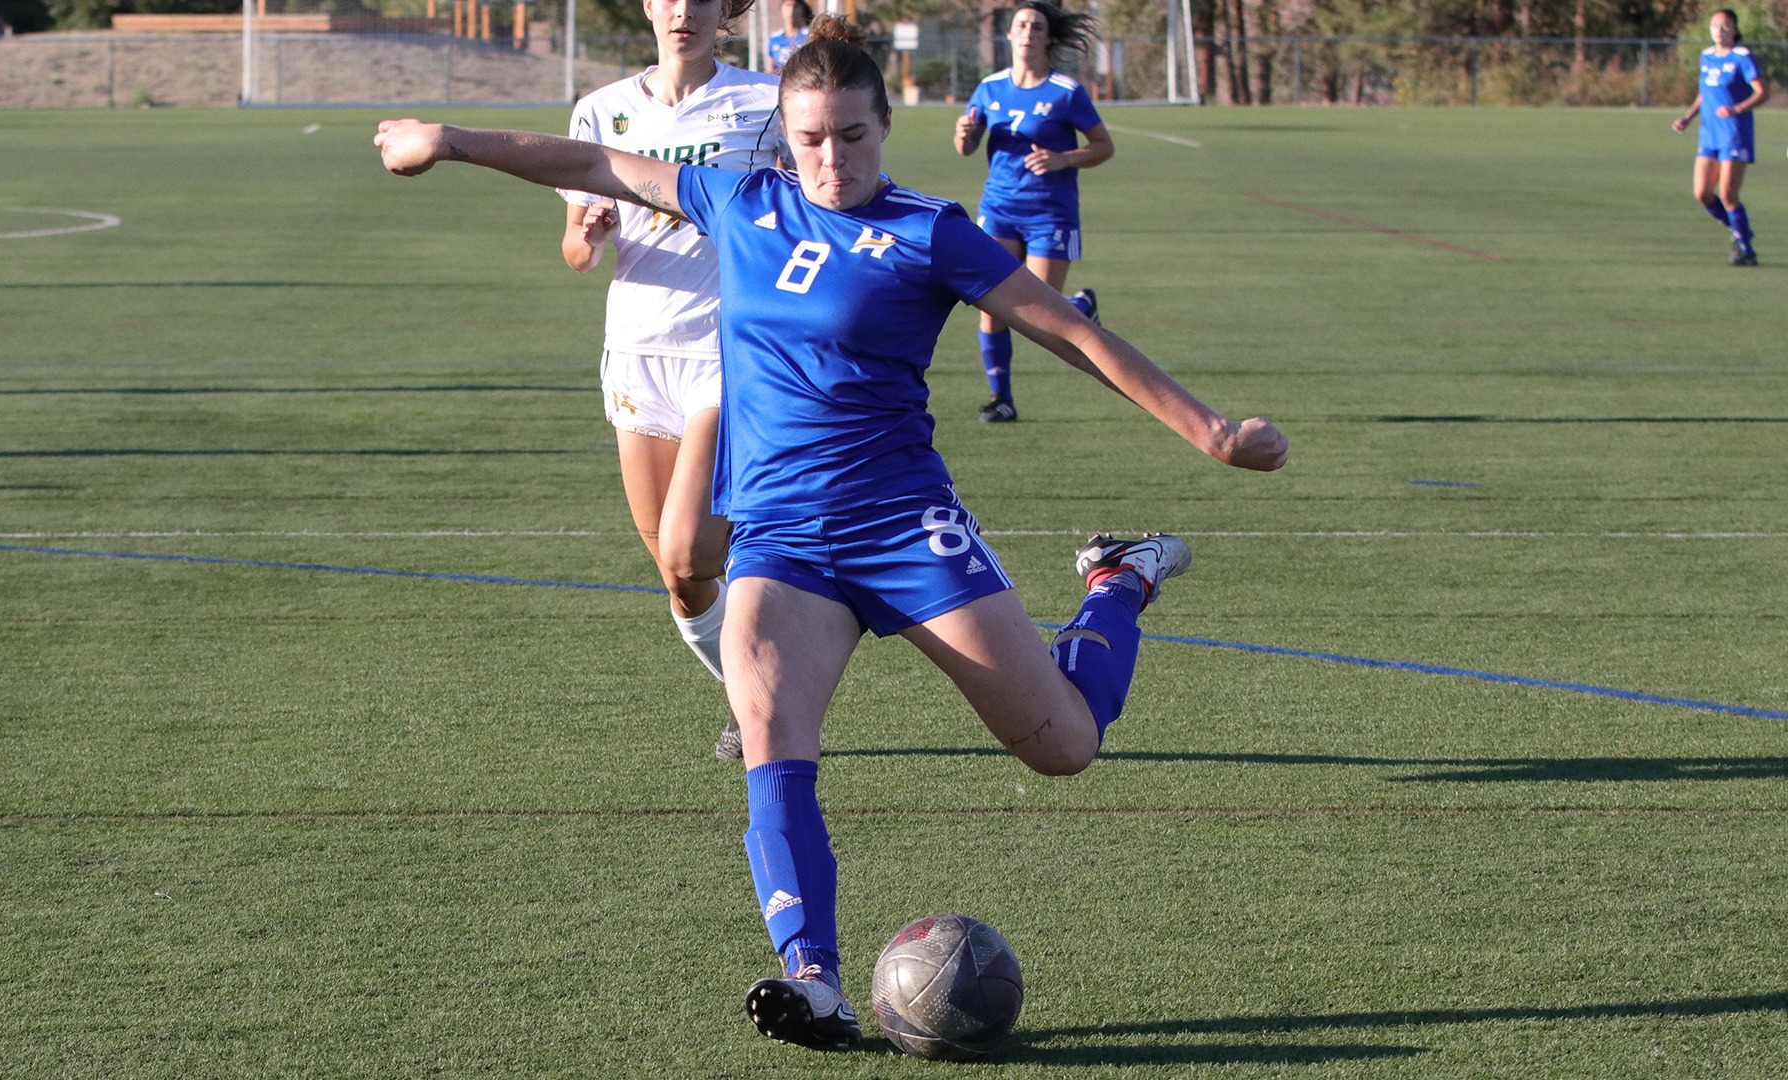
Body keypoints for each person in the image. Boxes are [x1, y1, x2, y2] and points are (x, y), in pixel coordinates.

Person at [375, 13, 1287, 1051]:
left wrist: (1212, 432)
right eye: (811, 136)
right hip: (783, 543)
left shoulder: (929, 229)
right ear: (783, 131)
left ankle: (1116, 582)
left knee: (1066, 749)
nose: (830, 157)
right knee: (769, 735)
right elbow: (590, 158)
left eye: (850, 135)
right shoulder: (738, 195)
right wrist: (448, 139)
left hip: (904, 528)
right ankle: (812, 979)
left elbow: (1072, 331)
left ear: (882, 126)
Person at [560, 0, 786, 759]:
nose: (683, 10)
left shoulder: (766, 102)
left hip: (728, 352)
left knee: (693, 551)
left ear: (726, 10)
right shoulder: (600, 111)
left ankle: (769, 692)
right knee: (677, 577)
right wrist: (585, 234)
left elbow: (822, 192)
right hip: (636, 353)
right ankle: (748, 696)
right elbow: (577, 252)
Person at [954, 0, 1114, 422]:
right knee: (993, 305)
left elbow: (1104, 147)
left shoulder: (1065, 92)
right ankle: (1001, 399)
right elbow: (966, 148)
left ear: (1047, 38)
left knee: (1043, 316)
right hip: (999, 208)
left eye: (1036, 26)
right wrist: (965, 134)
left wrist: (1063, 159)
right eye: (1021, 24)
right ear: (1009, 34)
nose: (1027, 31)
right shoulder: (989, 88)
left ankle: (1079, 306)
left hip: (1051, 214)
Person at [1673, 8, 1769, 266]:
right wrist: (1688, 117)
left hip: (1734, 135)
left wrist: (1736, 109)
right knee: (1702, 193)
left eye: (1726, 25)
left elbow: (1762, 92)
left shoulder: (1742, 57)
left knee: (1728, 195)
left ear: (1735, 29)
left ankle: (1745, 249)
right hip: (1709, 135)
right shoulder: (1706, 57)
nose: (1720, 29)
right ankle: (1740, 232)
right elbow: (1703, 93)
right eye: (1716, 25)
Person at [767, 0, 811, 72]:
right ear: (781, 9)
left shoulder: (808, 35)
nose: (791, 10)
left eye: (795, 6)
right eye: (788, 5)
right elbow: (770, 68)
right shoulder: (774, 38)